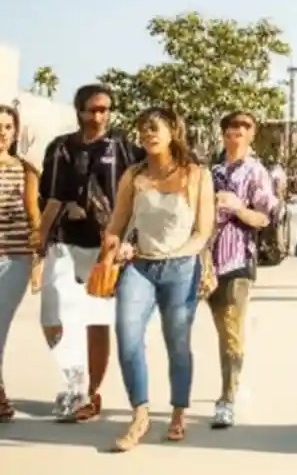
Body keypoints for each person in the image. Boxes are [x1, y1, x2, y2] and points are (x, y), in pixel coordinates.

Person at [101, 107, 214, 451]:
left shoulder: (196, 175)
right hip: (139, 267)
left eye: (155, 128)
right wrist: (113, 247)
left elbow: (203, 231)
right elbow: (117, 223)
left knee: (177, 342)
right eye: (143, 129)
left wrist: (181, 255)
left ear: (172, 132)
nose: (148, 134)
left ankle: (179, 411)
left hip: (181, 267)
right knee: (127, 334)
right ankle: (140, 414)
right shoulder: (134, 175)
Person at [36, 83, 143, 422]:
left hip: (106, 248)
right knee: (52, 317)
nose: (99, 115)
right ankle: (73, 378)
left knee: (97, 321)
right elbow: (50, 195)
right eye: (93, 109)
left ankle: (90, 394)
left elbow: (145, 189)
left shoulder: (123, 148)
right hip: (64, 242)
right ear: (79, 110)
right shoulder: (61, 148)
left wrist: (131, 238)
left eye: (105, 109)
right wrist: (42, 237)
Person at [207, 111, 277, 429]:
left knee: (230, 332)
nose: (237, 131)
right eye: (232, 126)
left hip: (236, 261)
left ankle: (227, 397)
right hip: (202, 260)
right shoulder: (210, 171)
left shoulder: (257, 172)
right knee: (192, 327)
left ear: (252, 134)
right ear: (223, 133)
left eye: (244, 127)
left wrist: (237, 207)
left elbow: (263, 218)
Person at [0, 105, 41, 422]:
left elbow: (34, 220)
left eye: (7, 127)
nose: (2, 132)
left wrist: (38, 261)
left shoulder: (26, 171)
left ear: (15, 132)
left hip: (15, 259)